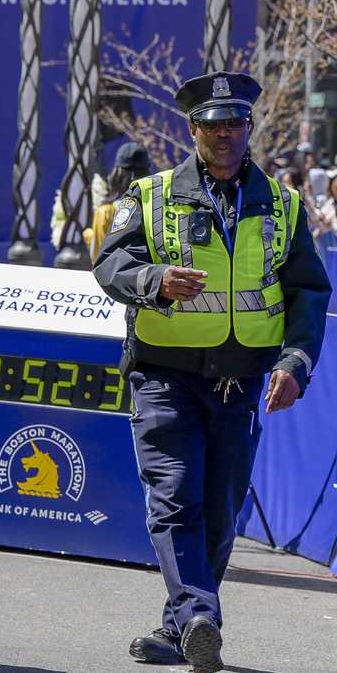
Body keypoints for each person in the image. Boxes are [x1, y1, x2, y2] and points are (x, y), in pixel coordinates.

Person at [93, 72, 331, 673]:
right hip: (164, 375)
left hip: (241, 381)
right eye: (212, 124)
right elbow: (110, 263)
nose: (224, 135)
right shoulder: (148, 196)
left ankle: (181, 628)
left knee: (221, 510)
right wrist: (153, 282)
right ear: (192, 129)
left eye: (235, 124)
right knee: (175, 498)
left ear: (248, 128)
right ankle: (201, 614)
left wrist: (295, 362)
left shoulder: (284, 204)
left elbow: (306, 292)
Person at [86, 142, 152, 261]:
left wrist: (88, 236)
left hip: (116, 275)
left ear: (117, 173)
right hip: (150, 276)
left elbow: (98, 257)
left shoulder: (106, 212)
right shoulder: (157, 206)